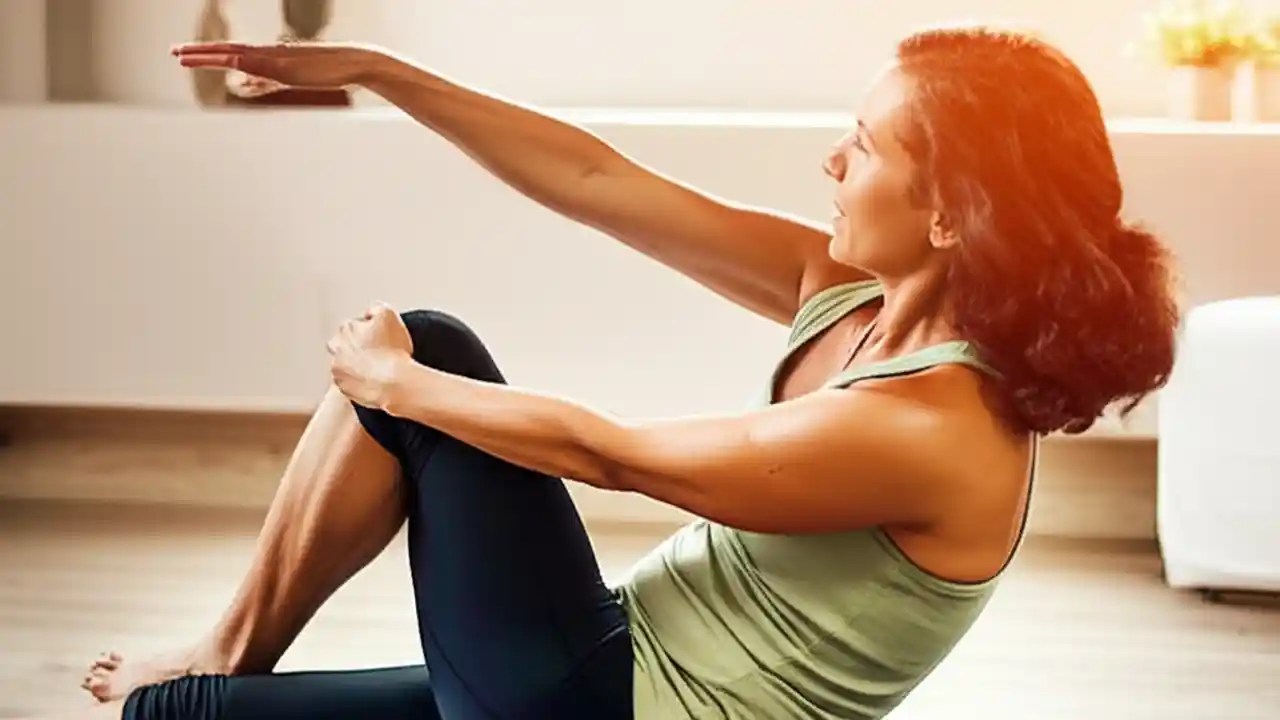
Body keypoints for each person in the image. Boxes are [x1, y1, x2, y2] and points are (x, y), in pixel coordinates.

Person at [50, 24, 1177, 720]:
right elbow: (592, 178)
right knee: (182, 719)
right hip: (604, 657)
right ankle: (216, 672)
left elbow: (611, 456)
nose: (831, 159)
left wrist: (393, 383)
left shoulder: (933, 427)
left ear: (947, 215)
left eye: (868, 144)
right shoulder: (848, 296)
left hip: (596, 705)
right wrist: (380, 72)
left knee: (431, 344)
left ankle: (227, 644)